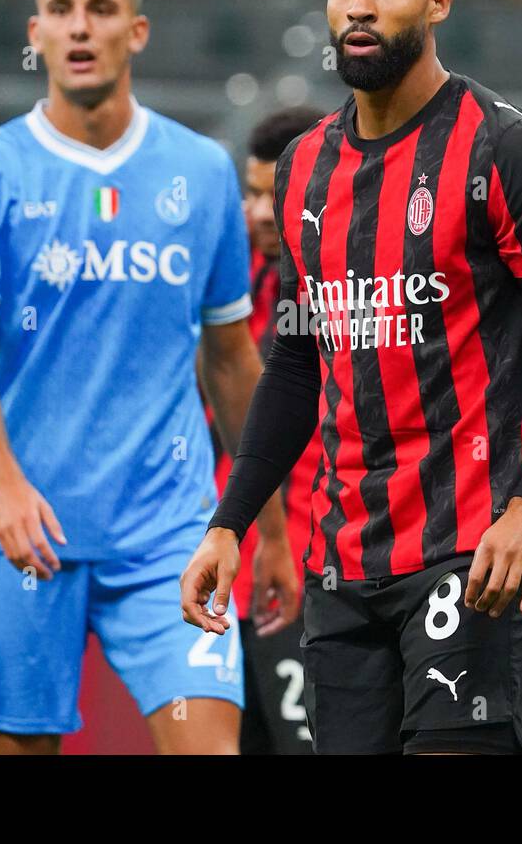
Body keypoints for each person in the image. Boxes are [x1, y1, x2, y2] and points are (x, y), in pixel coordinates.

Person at [181, 0, 522, 755]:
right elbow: (296, 365)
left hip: (477, 552)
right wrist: (230, 524)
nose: (359, 6)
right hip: (343, 567)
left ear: (437, 3)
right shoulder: (305, 167)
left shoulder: (507, 152)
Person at [0, 0, 298, 755]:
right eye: (60, 11)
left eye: (100, 10)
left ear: (137, 32)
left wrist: (267, 527)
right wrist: (5, 486)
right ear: (36, 34)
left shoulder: (199, 174)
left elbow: (231, 361)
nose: (80, 27)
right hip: (28, 529)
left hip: (170, 535)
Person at [222, 106, 324, 754]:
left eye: (275, 193)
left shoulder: (349, 289)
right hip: (240, 580)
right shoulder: (242, 286)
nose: (258, 211)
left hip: (318, 577)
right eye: (250, 191)